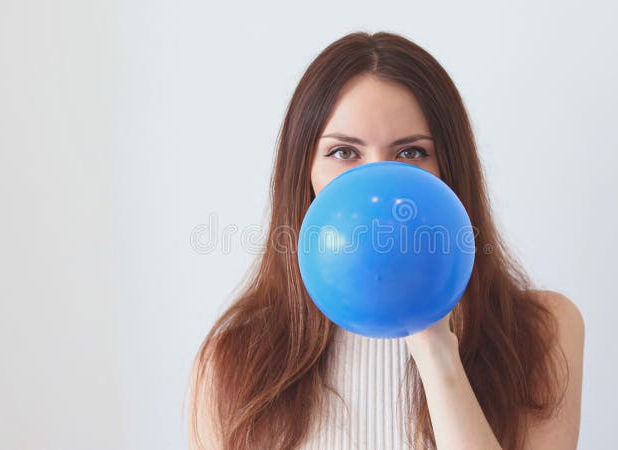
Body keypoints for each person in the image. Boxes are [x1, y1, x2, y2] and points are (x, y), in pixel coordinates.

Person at [187, 31, 584, 450]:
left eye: (411, 153)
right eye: (344, 152)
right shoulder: (230, 363)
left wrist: (435, 347)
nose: (379, 182)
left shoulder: (540, 331)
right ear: (303, 172)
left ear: (450, 169)